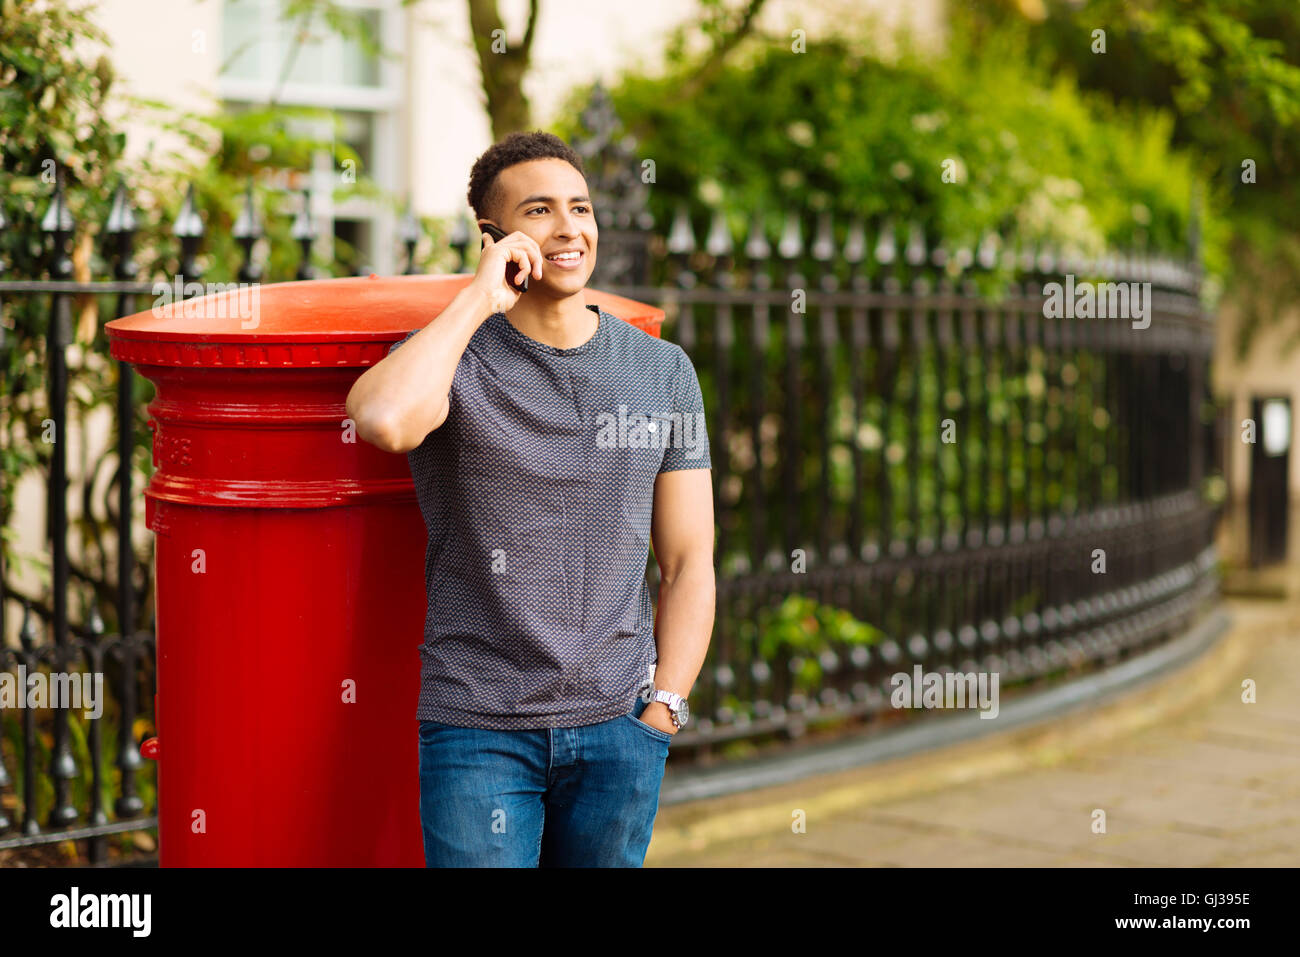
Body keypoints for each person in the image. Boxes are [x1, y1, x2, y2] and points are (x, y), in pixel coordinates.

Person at [345, 130, 715, 867]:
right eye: (540, 211)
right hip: (478, 727)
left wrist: (662, 707)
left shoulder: (662, 370)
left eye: (579, 207)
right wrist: (479, 296)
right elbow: (382, 419)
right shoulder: (452, 357)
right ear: (494, 235)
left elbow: (689, 558)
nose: (570, 228)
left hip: (619, 724)